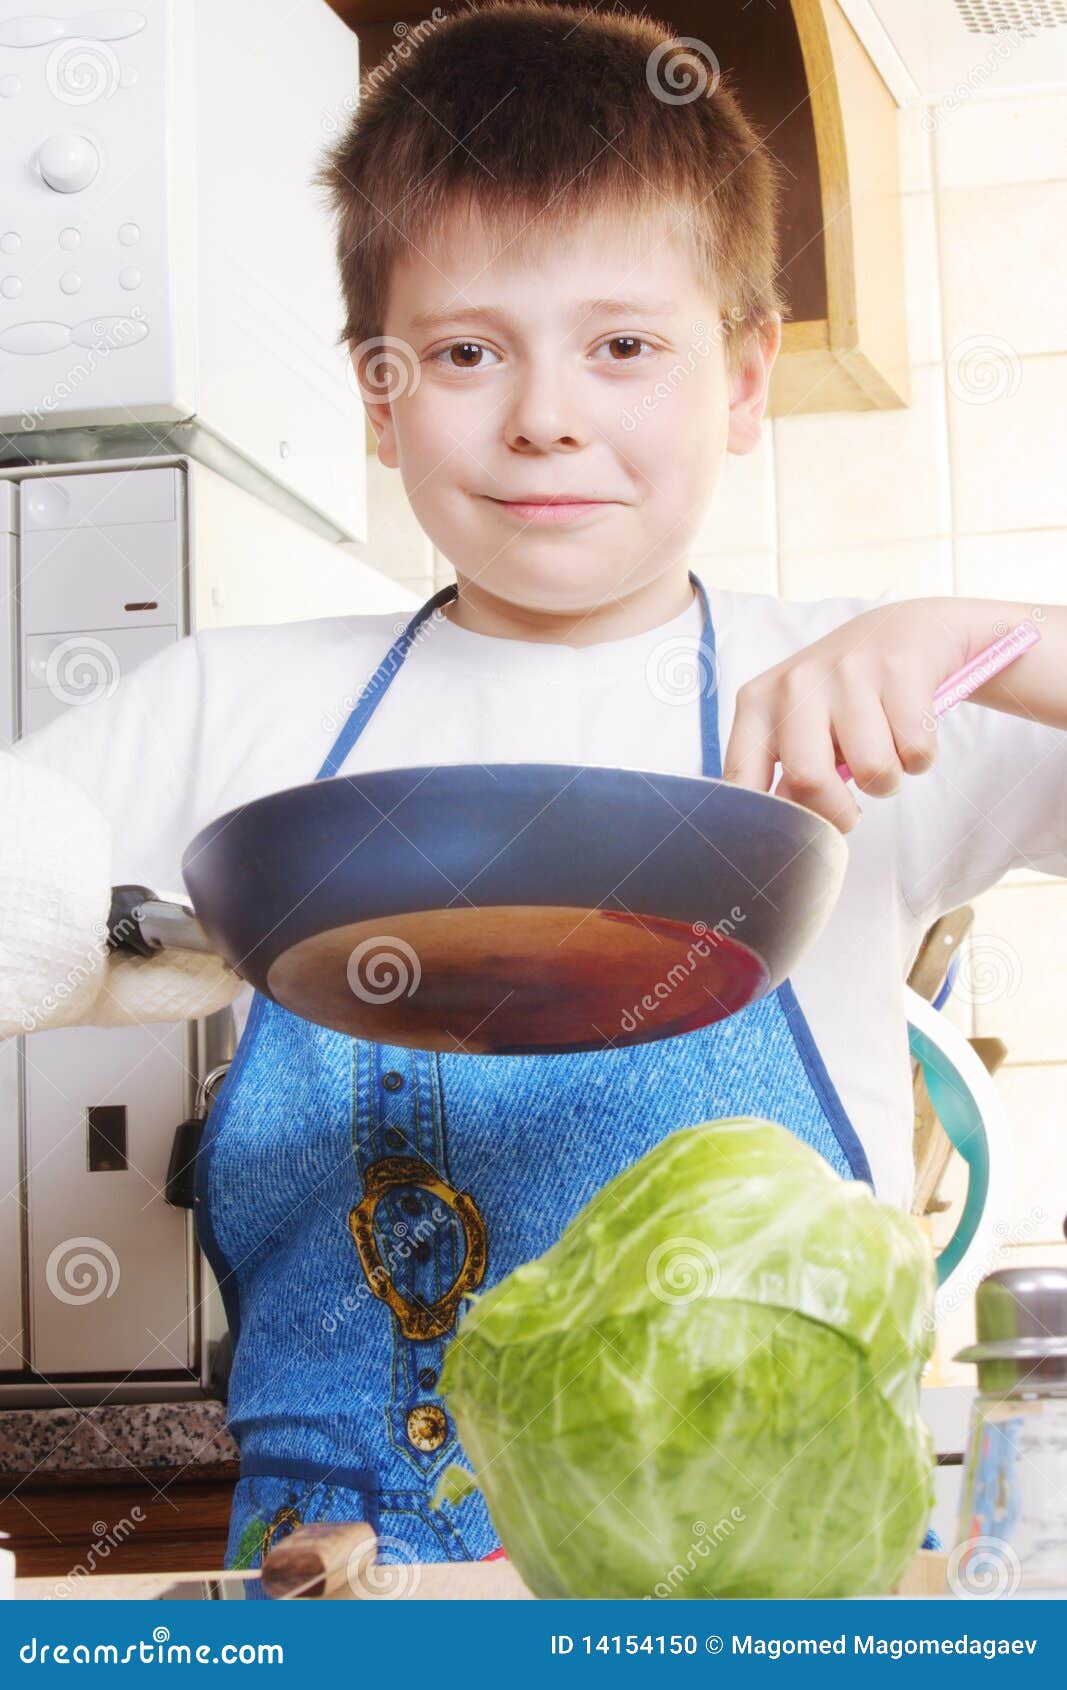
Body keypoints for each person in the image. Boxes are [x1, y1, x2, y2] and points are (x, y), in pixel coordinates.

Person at [2, 1, 1065, 1579]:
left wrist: (996, 643)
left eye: (625, 344)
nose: (544, 413)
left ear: (749, 376)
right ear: (377, 391)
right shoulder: (233, 705)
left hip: (759, 1612)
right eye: (463, 352)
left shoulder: (858, 701)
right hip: (339, 1606)